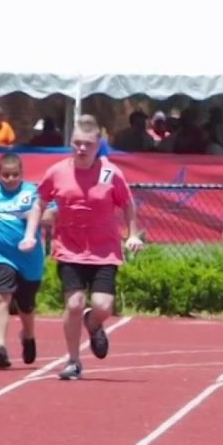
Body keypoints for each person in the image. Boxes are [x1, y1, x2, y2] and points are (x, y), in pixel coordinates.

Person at [20, 118, 143, 380]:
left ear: (98, 145)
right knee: (73, 304)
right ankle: (73, 361)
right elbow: (39, 204)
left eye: (87, 144)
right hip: (69, 249)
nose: (81, 149)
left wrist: (133, 234)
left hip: (104, 251)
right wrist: (30, 235)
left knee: (103, 306)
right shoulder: (57, 172)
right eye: (76, 143)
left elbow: (128, 204)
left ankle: (94, 322)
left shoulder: (110, 173)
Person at [0, 154, 56, 368]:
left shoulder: (32, 192)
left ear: (22, 175)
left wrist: (32, 218)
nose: (10, 179)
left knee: (26, 305)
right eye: (6, 175)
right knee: (1, 296)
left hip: (29, 258)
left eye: (15, 175)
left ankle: (29, 335)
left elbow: (52, 215)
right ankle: (0, 347)